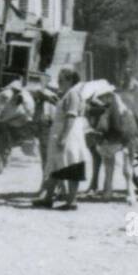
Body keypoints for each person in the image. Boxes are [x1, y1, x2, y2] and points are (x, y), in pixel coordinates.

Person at [40, 67, 89, 210]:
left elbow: (71, 117)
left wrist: (63, 137)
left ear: (69, 80)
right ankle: (48, 198)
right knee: (56, 166)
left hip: (69, 135)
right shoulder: (66, 94)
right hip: (61, 133)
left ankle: (72, 201)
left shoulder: (72, 95)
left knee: (72, 165)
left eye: (61, 80)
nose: (59, 82)